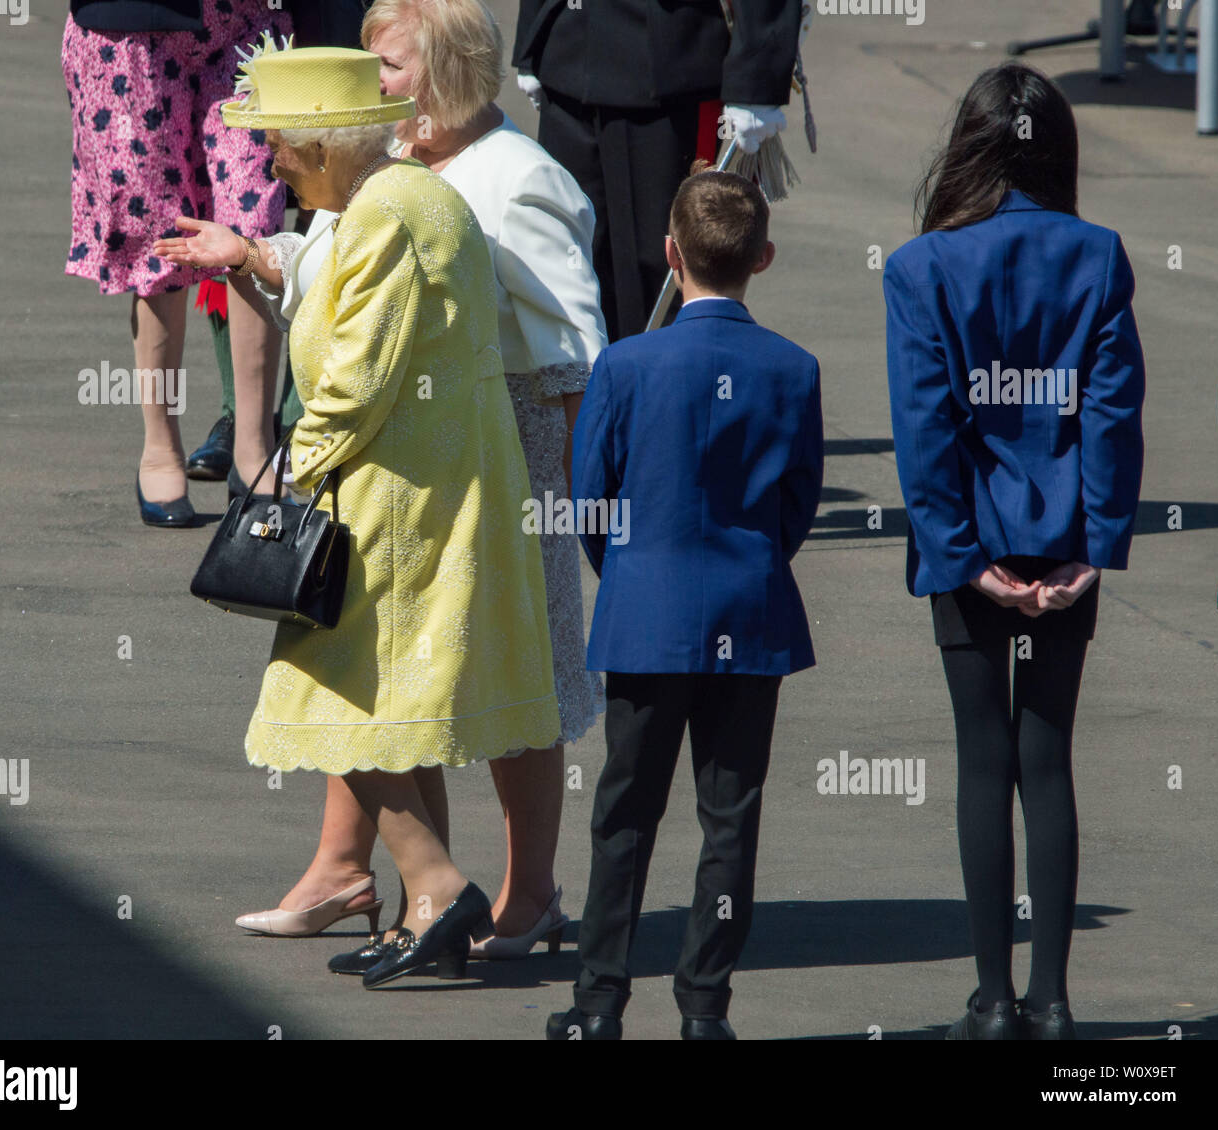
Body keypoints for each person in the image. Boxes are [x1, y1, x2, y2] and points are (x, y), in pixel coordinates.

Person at [158, 0, 608, 963]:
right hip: (411, 464)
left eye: (392, 66)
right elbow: (339, 299)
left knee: (490, 686)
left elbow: (561, 347)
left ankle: (504, 896)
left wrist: (571, 488)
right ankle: (414, 898)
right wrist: (255, 260)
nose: (271, 163)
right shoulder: (382, 187)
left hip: (476, 464)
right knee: (412, 695)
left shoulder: (486, 183)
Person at [884, 63, 1145, 1040]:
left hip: (971, 549)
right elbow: (1111, 412)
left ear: (971, 147)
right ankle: (1055, 997)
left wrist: (960, 554)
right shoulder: (1099, 253)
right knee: (1048, 762)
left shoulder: (921, 266)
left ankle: (991, 998)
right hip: (1064, 542)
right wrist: (1097, 542)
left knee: (981, 761)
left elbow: (926, 426)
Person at [549, 172, 824, 1040]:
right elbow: (797, 505)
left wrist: (627, 571)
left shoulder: (626, 364)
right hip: (751, 607)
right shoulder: (792, 368)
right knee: (729, 818)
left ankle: (599, 1001)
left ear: (671, 254)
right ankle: (706, 1009)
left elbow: (591, 500)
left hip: (646, 610)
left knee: (625, 813)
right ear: (763, 259)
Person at [61, 0, 291, 524]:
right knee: (157, 237)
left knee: (254, 222)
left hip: (250, 21)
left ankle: (254, 445)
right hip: (129, 28)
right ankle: (160, 445)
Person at [513, 0, 803, 341]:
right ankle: (588, 392)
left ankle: (663, 390)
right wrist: (534, 28)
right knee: (567, 259)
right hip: (568, 49)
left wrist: (758, 69)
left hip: (670, 60)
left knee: (665, 267)